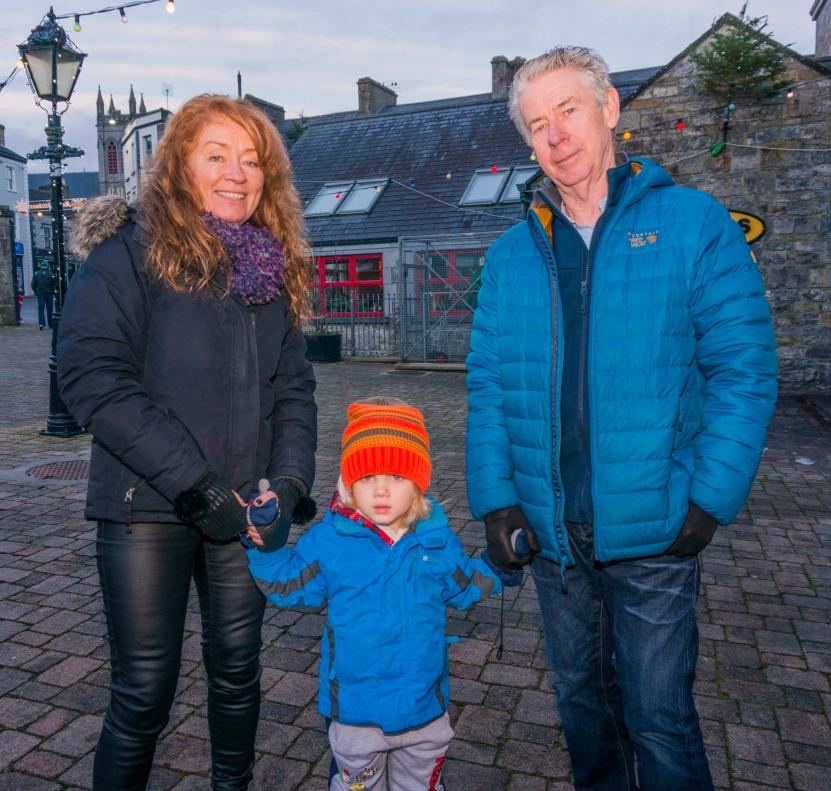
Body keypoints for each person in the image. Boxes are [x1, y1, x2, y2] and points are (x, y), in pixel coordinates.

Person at [465, 46, 778, 791]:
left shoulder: (692, 224)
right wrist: (497, 499)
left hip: (655, 529)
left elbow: (743, 368)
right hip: (551, 537)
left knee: (658, 717)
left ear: (609, 108)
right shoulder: (511, 255)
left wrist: (709, 496)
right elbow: (487, 384)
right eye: (537, 125)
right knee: (582, 708)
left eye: (567, 111)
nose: (555, 136)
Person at [57, 95, 317, 791]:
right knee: (142, 692)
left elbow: (293, 391)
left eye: (251, 160)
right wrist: (198, 487)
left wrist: (288, 485)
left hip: (246, 512)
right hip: (148, 507)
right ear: (178, 165)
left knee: (238, 673)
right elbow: (93, 381)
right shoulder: (129, 254)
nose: (237, 173)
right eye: (216, 156)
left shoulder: (270, 267)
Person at [246, 398, 504, 791]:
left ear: (418, 484)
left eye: (397, 477)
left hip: (424, 713)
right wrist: (266, 546)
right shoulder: (330, 541)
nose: (381, 490)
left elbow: (464, 585)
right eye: (367, 478)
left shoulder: (435, 541)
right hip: (355, 715)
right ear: (349, 484)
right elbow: (289, 583)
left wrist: (501, 567)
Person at [30, 259, 55, 329]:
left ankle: (41, 324)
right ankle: (50, 324)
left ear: (41, 265)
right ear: (47, 265)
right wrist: (53, 291)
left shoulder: (36, 274)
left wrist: (36, 292)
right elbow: (54, 284)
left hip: (40, 293)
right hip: (49, 293)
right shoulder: (51, 274)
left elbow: (32, 285)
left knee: (41, 308)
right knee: (50, 309)